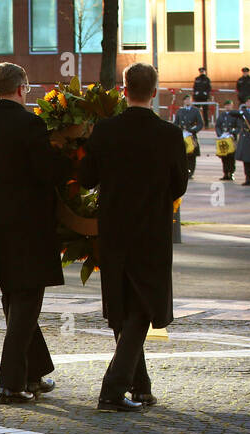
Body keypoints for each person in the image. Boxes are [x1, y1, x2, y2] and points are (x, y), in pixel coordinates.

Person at [77, 63, 187, 413]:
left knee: (124, 307)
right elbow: (179, 184)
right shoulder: (170, 134)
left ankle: (141, 386)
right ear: (155, 92)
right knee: (141, 308)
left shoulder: (105, 131)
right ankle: (112, 390)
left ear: (124, 91)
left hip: (112, 232)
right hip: (151, 233)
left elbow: (88, 179)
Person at [0, 62, 69, 406]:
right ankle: (11, 384)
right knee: (25, 308)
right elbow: (47, 173)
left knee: (16, 305)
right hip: (28, 234)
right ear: (22, 88)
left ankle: (33, 372)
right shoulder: (30, 124)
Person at [173, 89, 204, 179]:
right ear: (183, 101)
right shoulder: (180, 111)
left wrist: (193, 130)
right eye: (186, 100)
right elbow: (176, 123)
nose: (187, 101)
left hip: (191, 135)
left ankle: (190, 171)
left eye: (189, 99)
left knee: (191, 155)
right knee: (182, 154)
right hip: (182, 135)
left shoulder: (195, 111)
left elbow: (200, 124)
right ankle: (183, 171)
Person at [214, 98, 237, 180]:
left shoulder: (235, 115)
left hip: (231, 139)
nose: (228, 107)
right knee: (224, 157)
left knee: (231, 157)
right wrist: (220, 134)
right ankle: (225, 173)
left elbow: (238, 127)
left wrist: (232, 133)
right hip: (223, 138)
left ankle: (231, 173)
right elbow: (217, 126)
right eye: (226, 105)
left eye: (229, 105)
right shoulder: (222, 115)